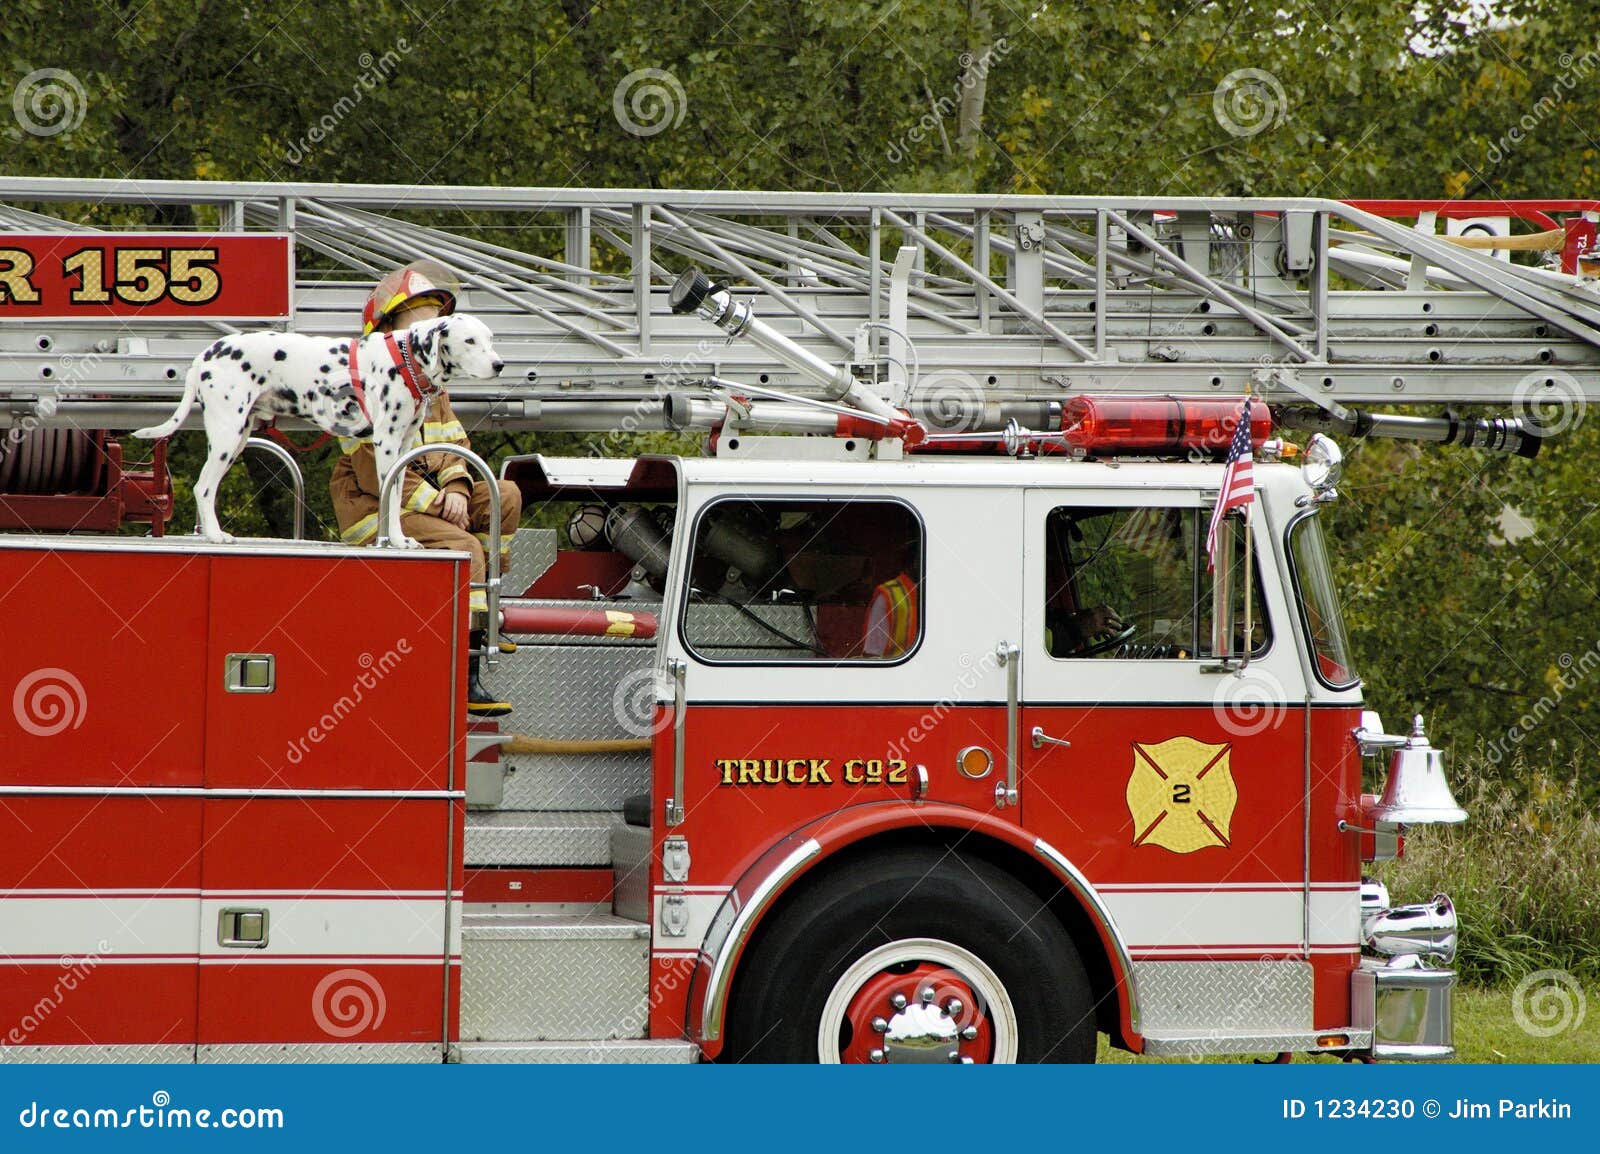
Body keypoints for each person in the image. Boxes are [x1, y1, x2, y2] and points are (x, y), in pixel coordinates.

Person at [329, 260, 522, 716]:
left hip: (431, 504)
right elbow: (381, 470)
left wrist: (456, 486)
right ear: (390, 328)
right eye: (421, 317)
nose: (434, 327)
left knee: (506, 495)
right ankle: (469, 673)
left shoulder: (434, 388)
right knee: (464, 547)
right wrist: (438, 502)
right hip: (380, 513)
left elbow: (455, 445)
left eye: (439, 316)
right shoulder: (363, 384)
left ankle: (486, 608)